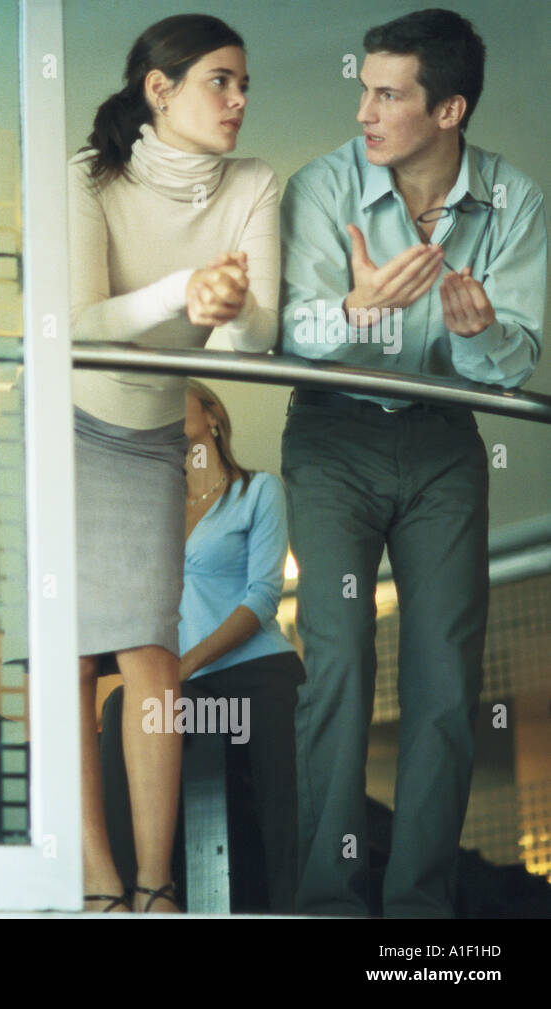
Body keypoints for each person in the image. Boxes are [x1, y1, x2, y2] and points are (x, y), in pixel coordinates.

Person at [279, 8, 545, 916]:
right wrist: (355, 313)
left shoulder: (516, 202)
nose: (364, 111)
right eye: (364, 90)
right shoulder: (321, 186)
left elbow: (520, 356)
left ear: (450, 109)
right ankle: (326, 901)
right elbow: (286, 334)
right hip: (332, 437)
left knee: (444, 681)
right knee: (340, 663)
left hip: (443, 444)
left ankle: (422, 914)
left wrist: (481, 335)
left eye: (387, 94)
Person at [68, 13, 279, 913]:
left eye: (243, 85)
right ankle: (98, 886)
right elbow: (78, 324)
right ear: (161, 89)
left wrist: (227, 308)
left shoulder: (255, 183)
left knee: (150, 649)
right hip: (67, 421)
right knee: (71, 659)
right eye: (219, 81)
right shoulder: (87, 178)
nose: (237, 100)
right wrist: (179, 291)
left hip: (150, 432)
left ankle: (158, 890)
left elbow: (256, 342)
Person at [100, 381, 304, 913]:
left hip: (256, 676)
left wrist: (182, 666)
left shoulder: (259, 491)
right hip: (193, 694)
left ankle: (290, 907)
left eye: (176, 401)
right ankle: (139, 895)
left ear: (212, 416)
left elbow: (261, 598)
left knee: (277, 799)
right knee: (123, 705)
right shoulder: (157, 509)